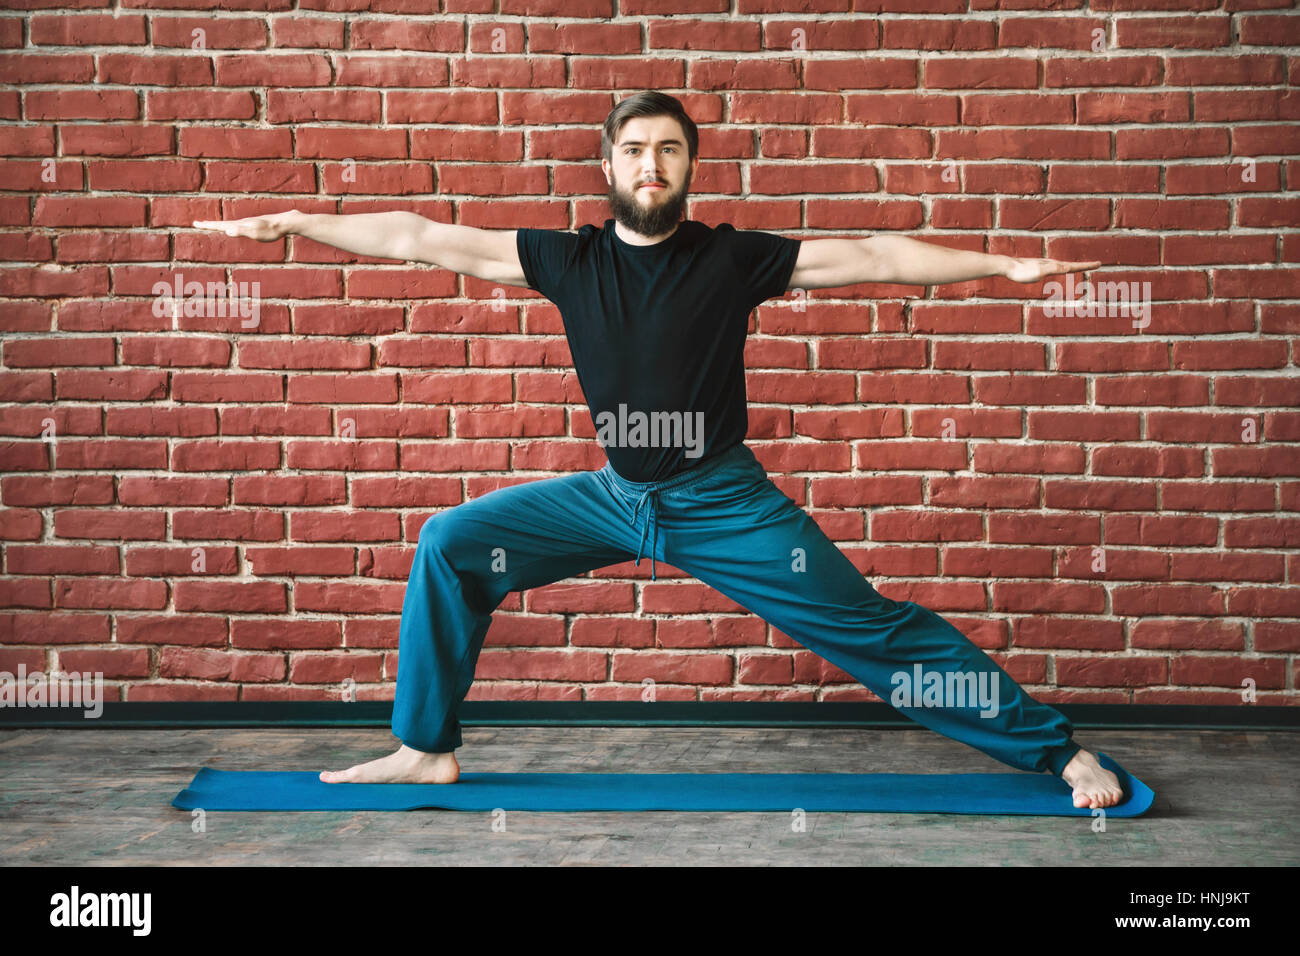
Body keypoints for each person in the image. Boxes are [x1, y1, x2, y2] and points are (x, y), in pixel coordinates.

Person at [195, 91, 1125, 809]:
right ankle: (426, 747)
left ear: (688, 168)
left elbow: (877, 256)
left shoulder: (731, 259)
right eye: (635, 149)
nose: (652, 164)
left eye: (669, 150)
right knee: (451, 544)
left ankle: (1053, 747)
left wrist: (1003, 266)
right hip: (614, 496)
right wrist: (296, 224)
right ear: (609, 164)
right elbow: (418, 237)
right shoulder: (568, 260)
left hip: (723, 501)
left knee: (871, 628)